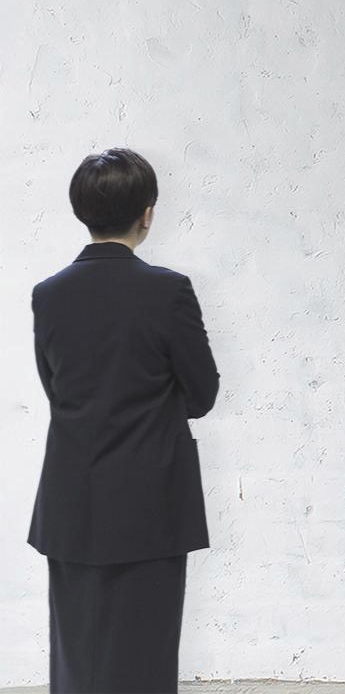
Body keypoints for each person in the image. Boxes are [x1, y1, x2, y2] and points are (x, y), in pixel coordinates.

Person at [26, 147, 221, 693]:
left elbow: (57, 389)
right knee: (145, 653)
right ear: (147, 213)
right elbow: (202, 393)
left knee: (77, 655)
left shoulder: (49, 295)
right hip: (150, 500)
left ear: (81, 211)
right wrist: (150, 408)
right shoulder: (168, 291)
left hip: (73, 499)